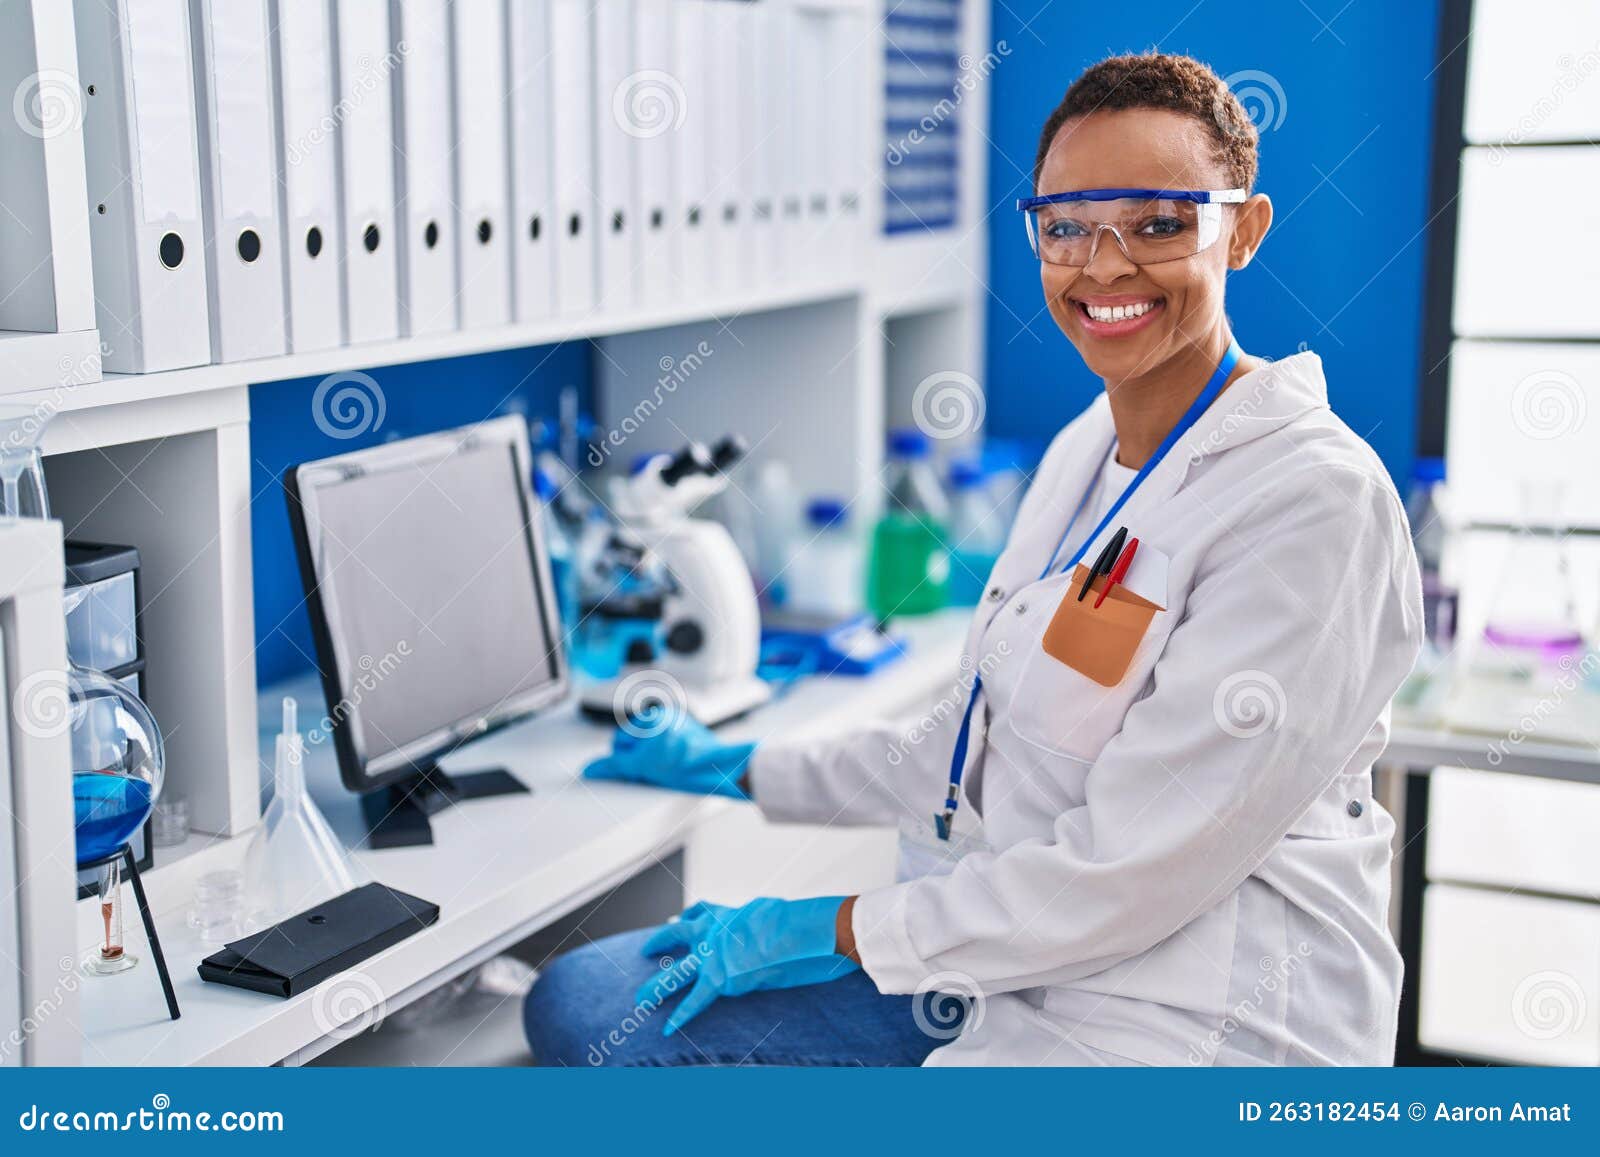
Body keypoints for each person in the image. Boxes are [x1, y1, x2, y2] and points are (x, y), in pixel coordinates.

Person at [524, 51, 1422, 1067]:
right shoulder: (1090, 449)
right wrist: (741, 762)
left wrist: (831, 927)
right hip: (1008, 952)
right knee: (585, 998)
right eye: (1068, 226)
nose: (1105, 264)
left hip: (1184, 1022)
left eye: (1159, 224)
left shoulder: (1310, 504)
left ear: (1243, 229)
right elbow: (974, 749)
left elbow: (1126, 872)